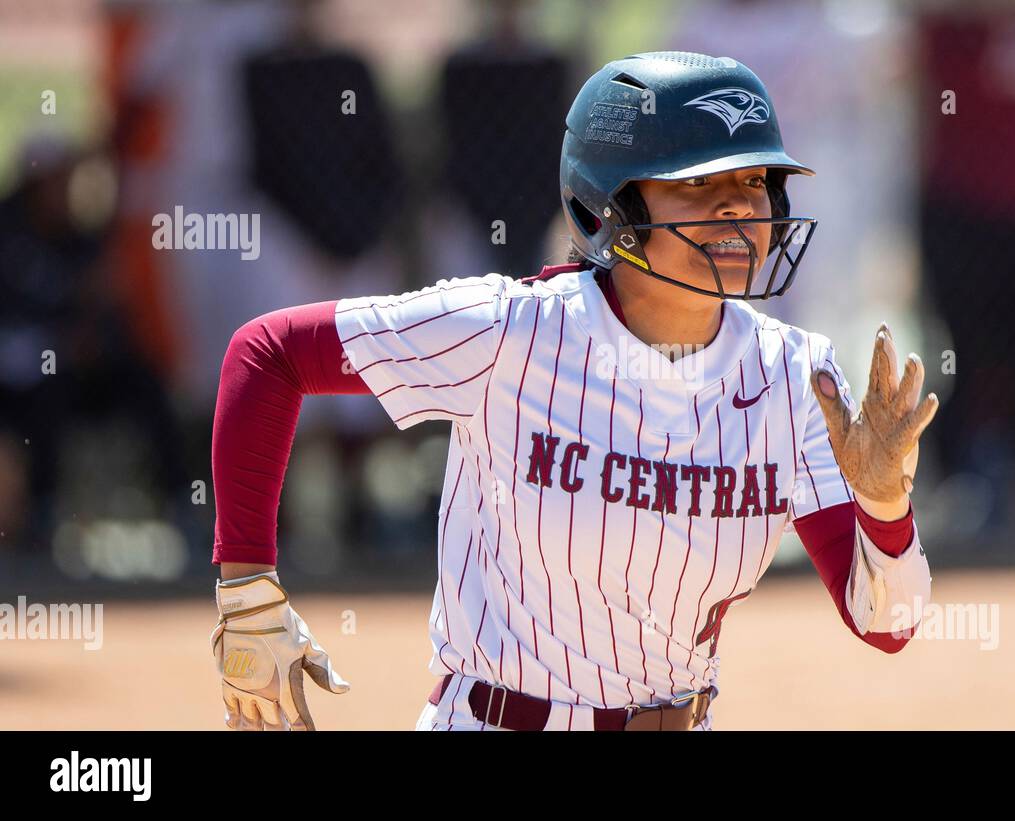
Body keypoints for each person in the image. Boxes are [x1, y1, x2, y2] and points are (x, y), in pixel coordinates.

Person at [209, 51, 939, 731]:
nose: (737, 209)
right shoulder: (508, 333)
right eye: (697, 183)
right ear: (611, 207)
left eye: (753, 181)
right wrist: (247, 589)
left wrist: (884, 508)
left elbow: (889, 625)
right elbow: (267, 355)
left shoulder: (792, 375)